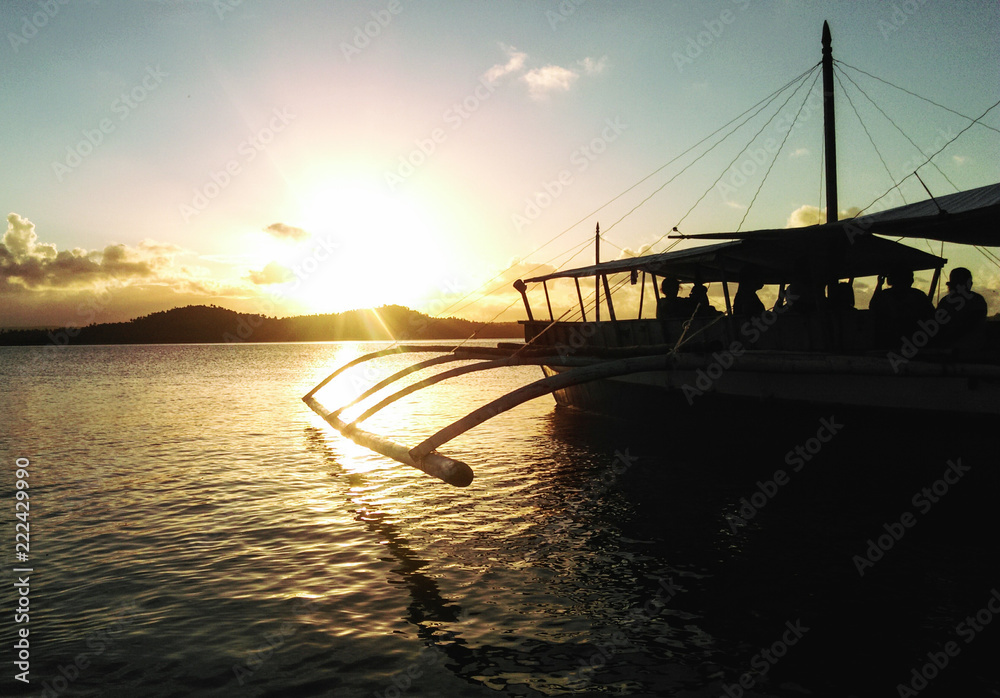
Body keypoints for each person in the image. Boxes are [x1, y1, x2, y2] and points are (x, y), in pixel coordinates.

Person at [869, 268, 933, 344]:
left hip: (891, 340)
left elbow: (873, 306)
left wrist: (879, 284)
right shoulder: (918, 295)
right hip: (910, 340)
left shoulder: (885, 295)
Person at [935, 267, 988, 346]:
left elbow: (971, 324)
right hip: (970, 346)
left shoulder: (945, 302)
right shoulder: (977, 300)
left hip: (966, 346)